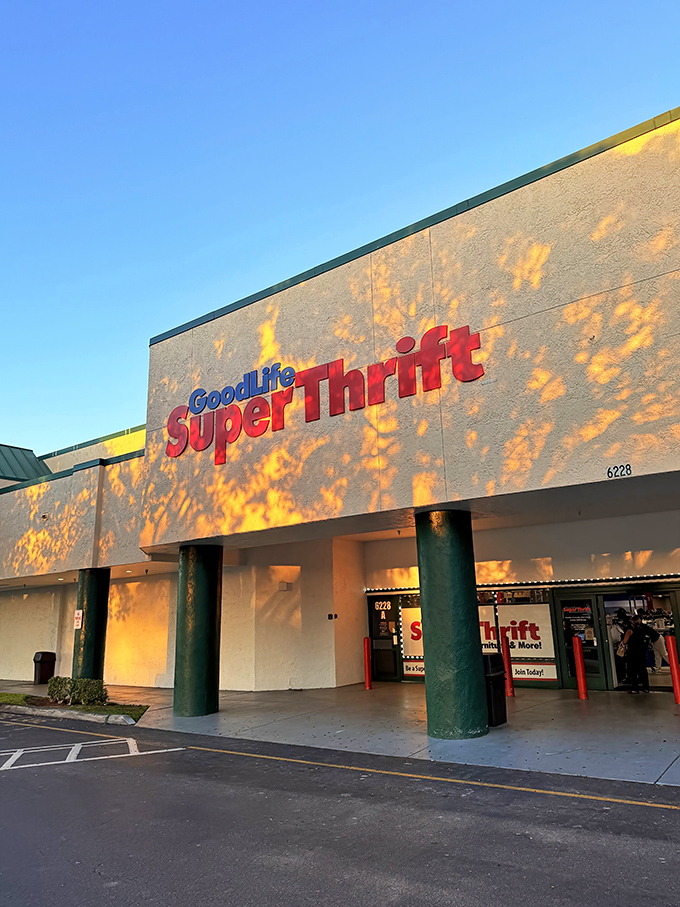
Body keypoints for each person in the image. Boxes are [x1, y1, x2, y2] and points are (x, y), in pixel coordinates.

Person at [622, 614, 655, 693]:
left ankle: (635, 688)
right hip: (642, 651)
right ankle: (646, 687)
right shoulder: (643, 628)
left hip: (632, 652)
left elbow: (624, 641)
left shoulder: (630, 631)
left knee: (633, 670)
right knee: (642, 670)